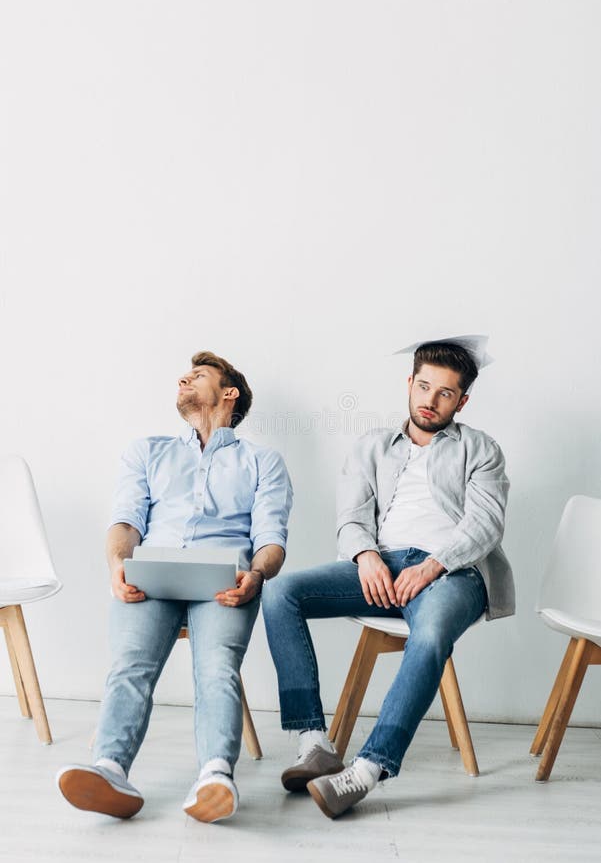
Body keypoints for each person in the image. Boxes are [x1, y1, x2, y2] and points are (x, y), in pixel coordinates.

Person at [262, 335, 514, 819]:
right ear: (409, 384)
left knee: (433, 633)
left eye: (445, 393)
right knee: (280, 593)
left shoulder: (482, 450)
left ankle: (367, 770)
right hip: (381, 566)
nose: (430, 400)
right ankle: (314, 741)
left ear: (462, 400)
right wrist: (366, 556)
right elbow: (351, 515)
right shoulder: (372, 445)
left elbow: (485, 523)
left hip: (452, 574)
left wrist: (432, 565)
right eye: (423, 386)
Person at [56, 351, 292, 823]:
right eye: (185, 374)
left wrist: (257, 575)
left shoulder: (262, 461)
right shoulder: (146, 450)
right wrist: (118, 565)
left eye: (199, 375)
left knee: (217, 668)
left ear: (230, 394)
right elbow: (125, 521)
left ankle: (215, 775)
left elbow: (271, 540)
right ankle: (109, 769)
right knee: (130, 665)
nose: (184, 378)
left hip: (225, 580)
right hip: (152, 574)